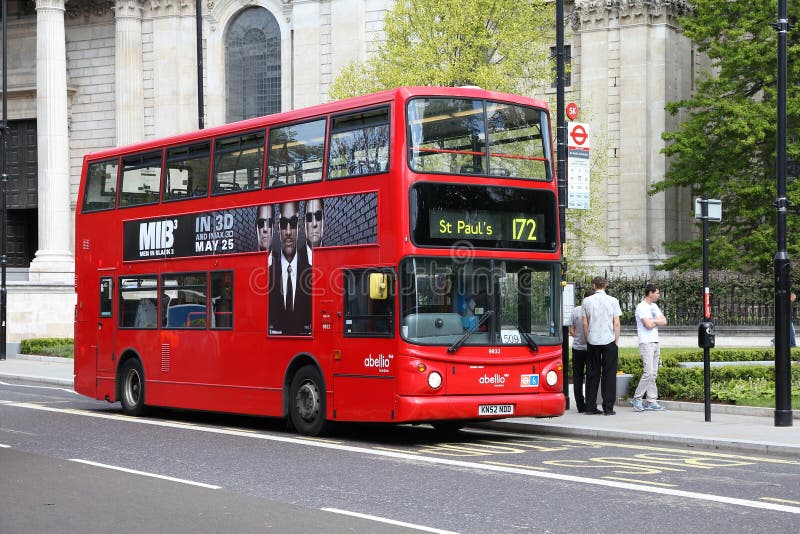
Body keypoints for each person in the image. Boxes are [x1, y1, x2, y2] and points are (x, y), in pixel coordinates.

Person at [268, 201, 312, 335]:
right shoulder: (267, 272)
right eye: (283, 224)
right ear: (277, 229)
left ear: (299, 227)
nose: (288, 232)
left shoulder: (311, 271)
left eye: (293, 223)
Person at [582, 276, 622, 415]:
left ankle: (590, 407)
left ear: (594, 286)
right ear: (605, 285)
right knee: (609, 375)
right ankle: (608, 408)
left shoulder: (586, 301)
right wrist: (616, 341)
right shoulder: (613, 301)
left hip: (593, 340)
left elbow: (585, 323)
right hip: (609, 339)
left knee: (592, 374)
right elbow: (616, 323)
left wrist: (588, 337)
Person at [631, 284, 667, 411]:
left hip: (655, 341)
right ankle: (637, 398)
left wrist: (655, 321)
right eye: (657, 293)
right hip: (646, 342)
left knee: (654, 373)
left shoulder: (654, 306)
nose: (658, 295)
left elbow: (664, 321)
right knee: (648, 372)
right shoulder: (641, 307)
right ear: (650, 293)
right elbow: (647, 325)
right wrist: (656, 321)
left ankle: (651, 401)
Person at [569, 289, 594, 413]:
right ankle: (590, 403)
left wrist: (578, 337)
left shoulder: (575, 310)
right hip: (591, 348)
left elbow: (571, 329)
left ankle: (580, 404)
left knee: (577, 377)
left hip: (577, 348)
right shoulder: (593, 311)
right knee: (590, 376)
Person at [304, 197, 324, 265]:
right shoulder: (294, 263)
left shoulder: (333, 256)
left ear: (323, 220)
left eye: (318, 216)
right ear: (305, 223)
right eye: (309, 217)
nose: (314, 224)